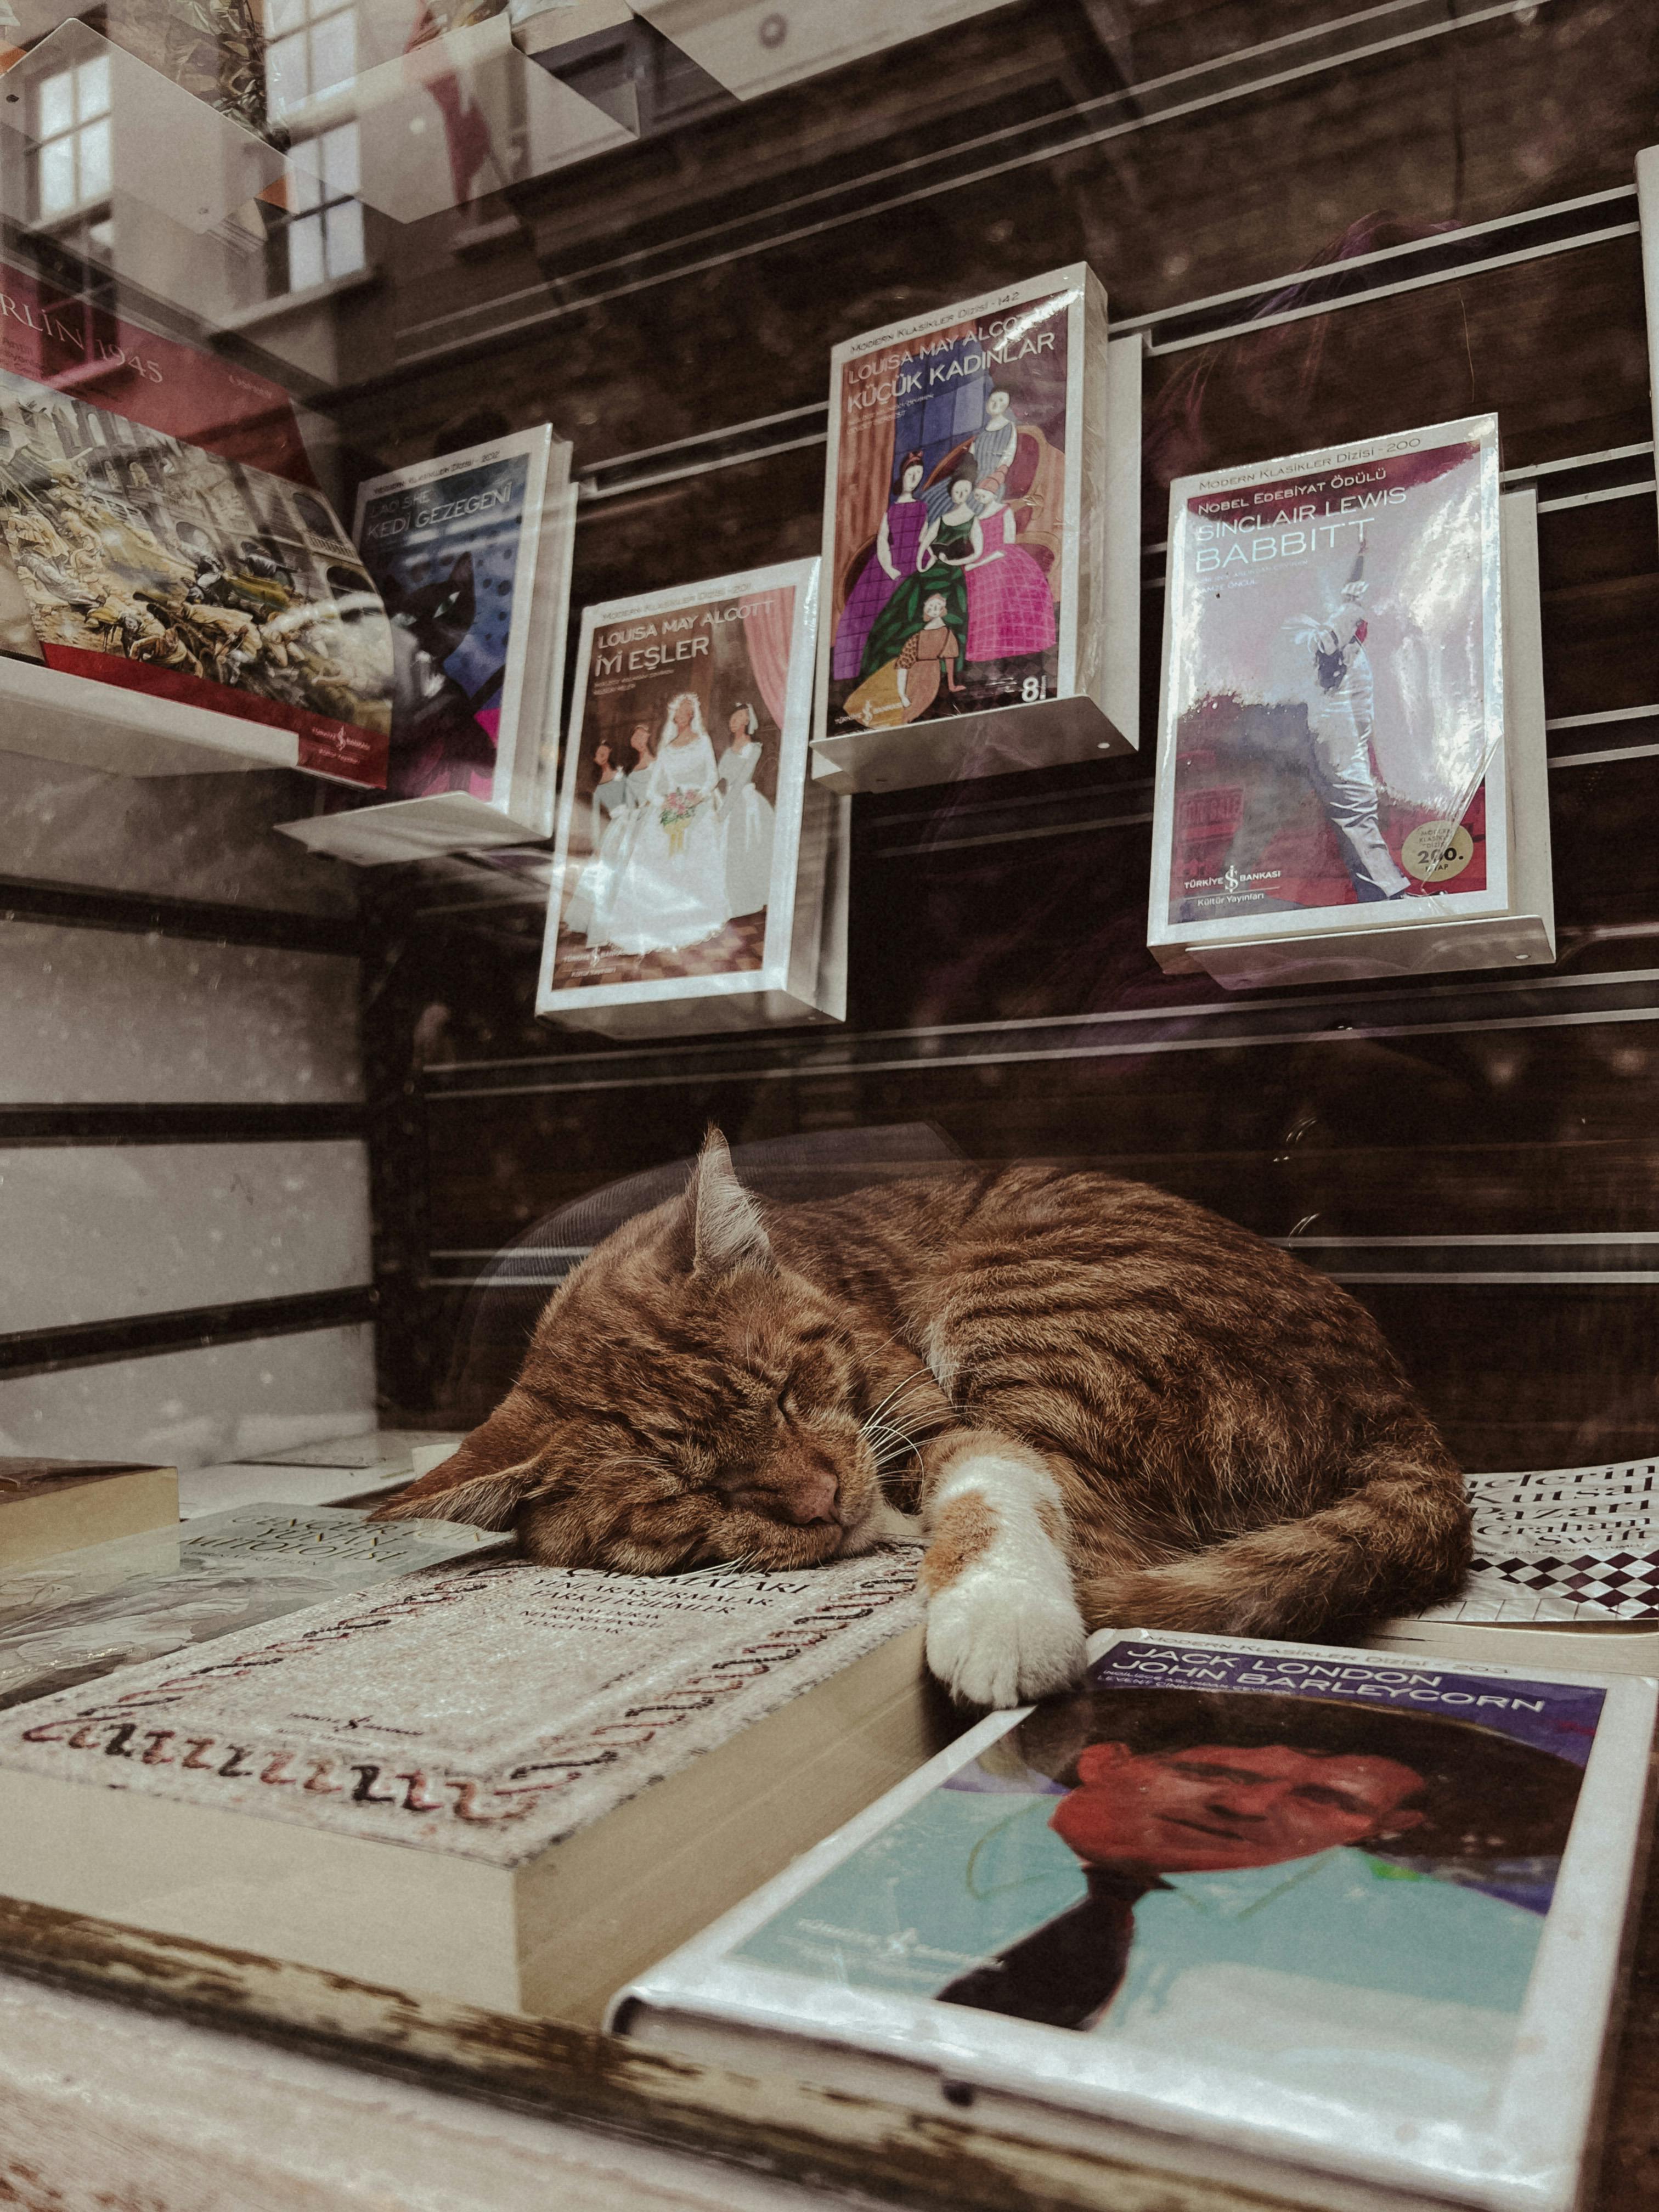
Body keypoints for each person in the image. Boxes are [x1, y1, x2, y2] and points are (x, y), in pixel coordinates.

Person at [929, 1688, 1580, 2047]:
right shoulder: (924, 1857)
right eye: (1210, 1771)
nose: (1244, 1804)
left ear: (1383, 1831)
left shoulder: (1390, 1971)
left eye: (1326, 1799)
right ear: (1108, 1762)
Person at [1291, 533, 1413, 902]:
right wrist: (1346, 615)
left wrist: (1362, 555)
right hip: (1333, 729)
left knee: (1357, 811)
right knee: (1355, 808)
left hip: (1345, 731)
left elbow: (1352, 588)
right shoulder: (1325, 619)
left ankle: (1377, 893)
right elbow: (1324, 643)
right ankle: (1387, 895)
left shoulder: (1345, 612)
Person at [596, 692, 731, 955]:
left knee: (693, 857)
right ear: (674, 714)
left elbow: (712, 776)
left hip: (697, 806)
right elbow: (652, 791)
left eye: (688, 710)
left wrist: (697, 798)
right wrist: (667, 802)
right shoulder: (667, 749)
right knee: (657, 858)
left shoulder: (703, 741)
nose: (684, 714)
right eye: (680, 709)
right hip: (671, 806)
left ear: (693, 714)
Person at [855, 474, 980, 691]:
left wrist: (955, 561)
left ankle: (946, 675)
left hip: (953, 576)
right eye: (957, 490)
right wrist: (924, 564)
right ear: (951, 491)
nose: (961, 494)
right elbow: (926, 542)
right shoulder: (942, 518)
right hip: (932, 571)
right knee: (905, 610)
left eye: (966, 490)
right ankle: (893, 665)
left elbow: (977, 552)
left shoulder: (972, 519)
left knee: (953, 619)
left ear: (970, 493)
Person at [831, 452, 929, 680]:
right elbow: (883, 541)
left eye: (919, 475)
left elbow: (925, 540)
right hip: (891, 563)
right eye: (910, 474)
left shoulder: (923, 508)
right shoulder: (892, 510)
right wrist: (889, 567)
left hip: (915, 560)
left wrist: (927, 561)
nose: (914, 479)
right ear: (902, 476)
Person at [842, 590, 963, 729]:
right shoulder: (917, 636)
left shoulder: (947, 633)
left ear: (943, 609)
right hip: (904, 674)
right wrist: (902, 694)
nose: (933, 610)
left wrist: (952, 685)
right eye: (930, 607)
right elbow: (903, 666)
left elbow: (950, 658)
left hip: (929, 675)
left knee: (913, 707)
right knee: (880, 700)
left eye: (936, 606)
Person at [964, 485, 1056, 665]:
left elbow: (1007, 544)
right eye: (977, 494)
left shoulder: (1005, 511)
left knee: (1016, 599)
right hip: (984, 564)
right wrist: (971, 563)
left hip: (1005, 559)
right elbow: (978, 549)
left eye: (983, 492)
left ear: (993, 491)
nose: (979, 496)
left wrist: (979, 563)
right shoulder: (978, 518)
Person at [718, 702, 775, 918]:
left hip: (744, 801)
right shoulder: (728, 750)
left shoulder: (754, 748)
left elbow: (742, 780)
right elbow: (718, 776)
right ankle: (732, 897)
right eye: (732, 717)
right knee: (729, 850)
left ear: (747, 721)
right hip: (729, 799)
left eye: (739, 717)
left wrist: (725, 809)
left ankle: (753, 896)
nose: (734, 721)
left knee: (747, 846)